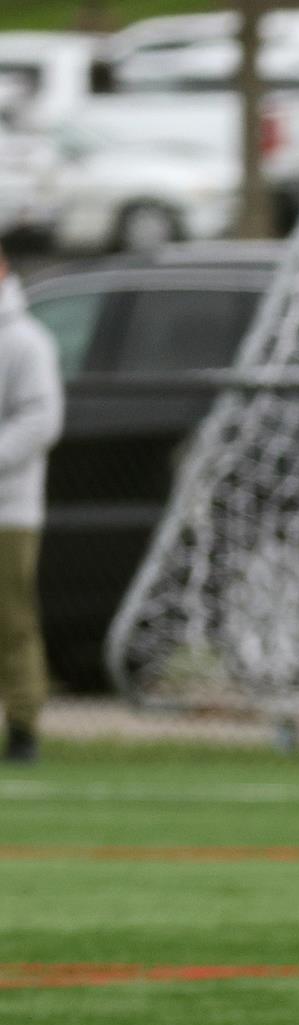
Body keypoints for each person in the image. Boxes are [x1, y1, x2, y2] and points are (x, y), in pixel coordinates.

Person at [0, 242, 62, 765]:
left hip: (9, 511)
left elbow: (41, 420)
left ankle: (23, 727)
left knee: (12, 621)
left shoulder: (24, 341)